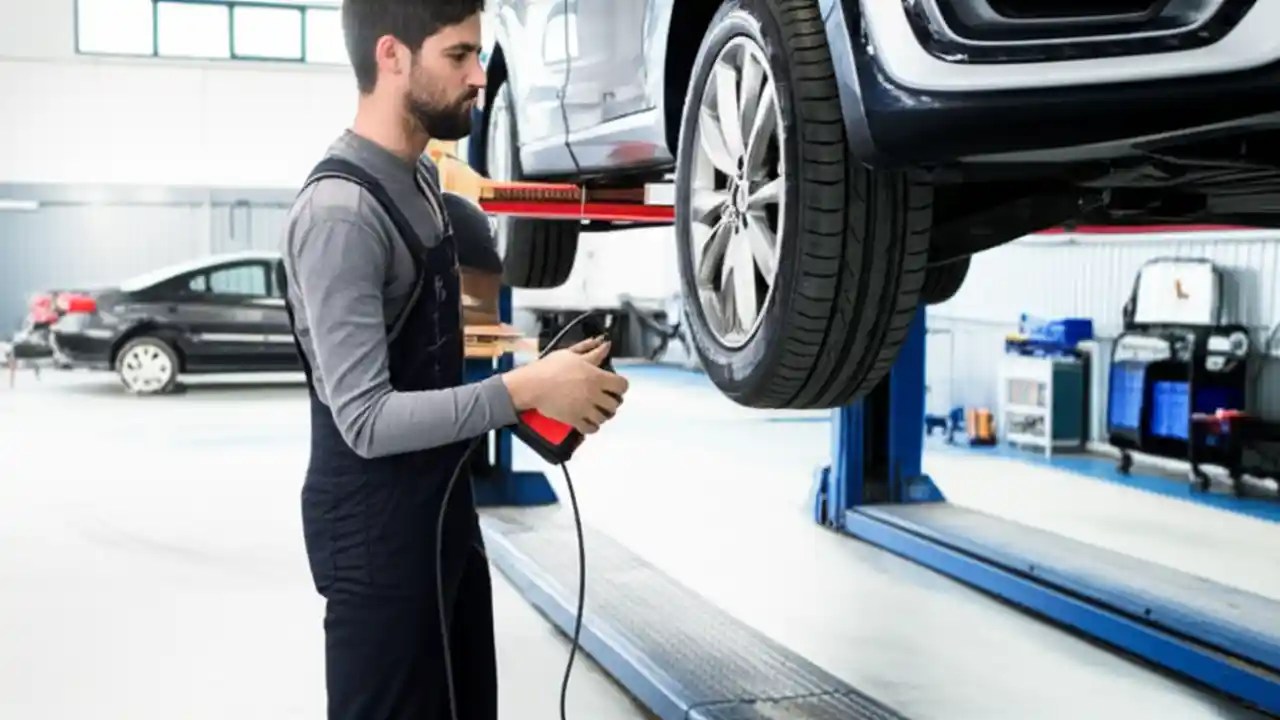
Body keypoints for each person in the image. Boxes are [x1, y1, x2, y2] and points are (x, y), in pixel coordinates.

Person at [277, 1, 629, 718]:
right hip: (375, 545)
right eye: (460, 56)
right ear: (391, 56)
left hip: (442, 514)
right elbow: (366, 420)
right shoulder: (342, 214)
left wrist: (539, 394)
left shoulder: (424, 183)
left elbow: (425, 369)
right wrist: (521, 389)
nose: (481, 78)